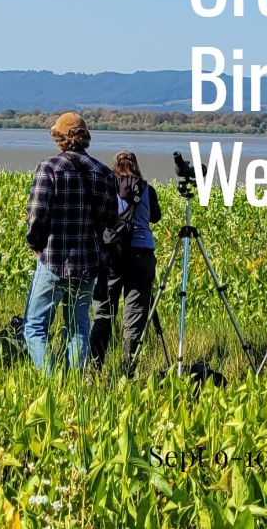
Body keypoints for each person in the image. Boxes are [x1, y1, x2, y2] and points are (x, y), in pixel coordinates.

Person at [23, 112, 117, 373]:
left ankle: (52, 382)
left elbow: (37, 215)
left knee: (35, 326)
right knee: (78, 326)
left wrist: (35, 244)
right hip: (87, 263)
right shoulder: (103, 173)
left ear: (60, 138)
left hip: (53, 259)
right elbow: (110, 220)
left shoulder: (50, 167)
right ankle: (75, 384)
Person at [90, 151, 163, 376]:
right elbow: (155, 218)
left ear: (115, 166)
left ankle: (94, 369)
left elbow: (98, 216)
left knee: (103, 311)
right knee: (136, 313)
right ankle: (127, 371)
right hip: (142, 254)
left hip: (112, 254)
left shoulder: (108, 186)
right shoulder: (147, 189)